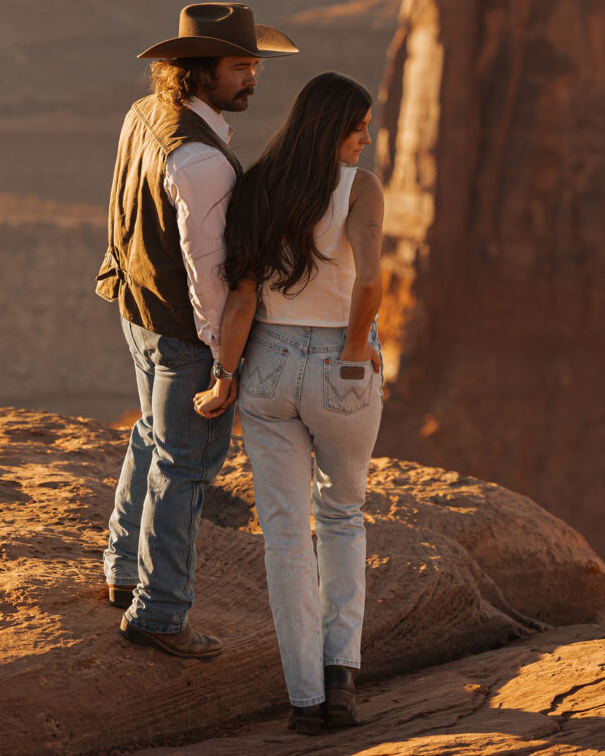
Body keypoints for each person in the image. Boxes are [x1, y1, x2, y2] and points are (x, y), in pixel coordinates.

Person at [95, 2, 298, 660]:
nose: (253, 77)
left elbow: (123, 205)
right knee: (185, 469)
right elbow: (210, 276)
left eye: (255, 64)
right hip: (185, 333)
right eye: (241, 67)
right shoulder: (202, 162)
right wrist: (226, 363)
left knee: (152, 437)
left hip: (138, 308)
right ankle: (159, 612)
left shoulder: (144, 114)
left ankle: (124, 573)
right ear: (199, 71)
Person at [194, 72, 384, 728]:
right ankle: (341, 681)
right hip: (340, 365)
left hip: (268, 365)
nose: (366, 138)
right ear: (332, 128)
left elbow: (242, 297)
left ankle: (304, 702)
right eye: (357, 127)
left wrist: (225, 376)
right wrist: (358, 349)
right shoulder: (360, 189)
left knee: (284, 536)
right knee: (342, 516)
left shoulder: (258, 186)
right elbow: (371, 283)